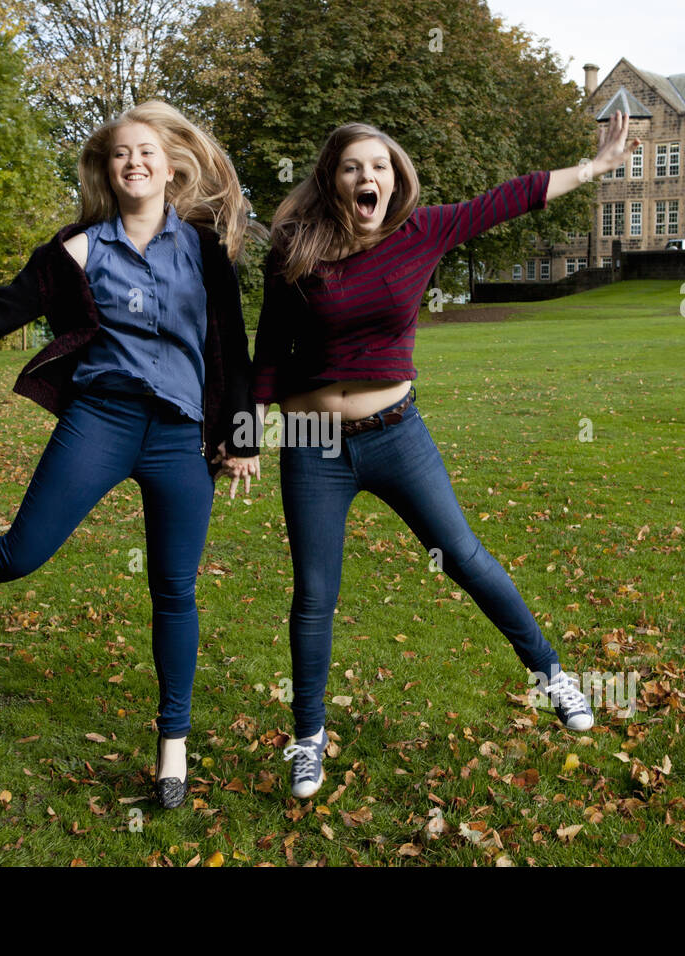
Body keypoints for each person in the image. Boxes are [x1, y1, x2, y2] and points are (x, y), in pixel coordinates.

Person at [0, 101, 263, 810]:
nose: (135, 162)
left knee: (174, 591)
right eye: (121, 153)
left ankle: (172, 747)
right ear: (107, 169)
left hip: (179, 436)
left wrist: (240, 434)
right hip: (102, 420)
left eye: (147, 151)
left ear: (172, 163)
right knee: (18, 554)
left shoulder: (206, 252)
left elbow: (232, 349)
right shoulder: (79, 251)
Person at [251, 111, 642, 798]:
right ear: (332, 181)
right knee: (314, 593)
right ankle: (308, 736)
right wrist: (246, 427)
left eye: (378, 165)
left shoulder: (422, 231)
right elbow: (269, 346)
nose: (366, 176)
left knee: (463, 556)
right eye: (351, 167)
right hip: (312, 441)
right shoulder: (294, 248)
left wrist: (594, 167)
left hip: (394, 430)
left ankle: (553, 676)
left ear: (395, 175)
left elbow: (509, 197)